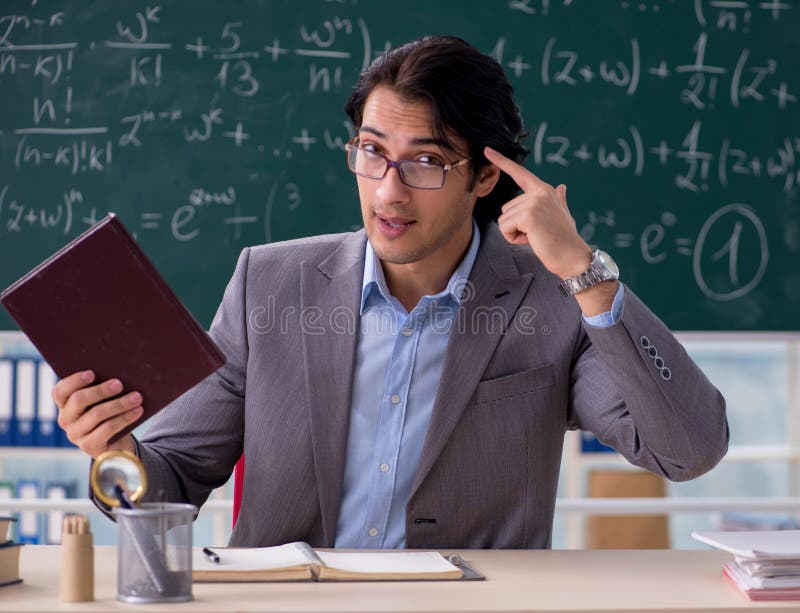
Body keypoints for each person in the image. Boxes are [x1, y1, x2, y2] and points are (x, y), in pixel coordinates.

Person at [53, 36, 728, 549]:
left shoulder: (552, 303)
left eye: (427, 162)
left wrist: (586, 270)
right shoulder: (270, 281)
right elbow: (169, 478)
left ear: (486, 177)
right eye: (372, 151)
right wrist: (115, 450)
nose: (388, 191)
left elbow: (689, 449)